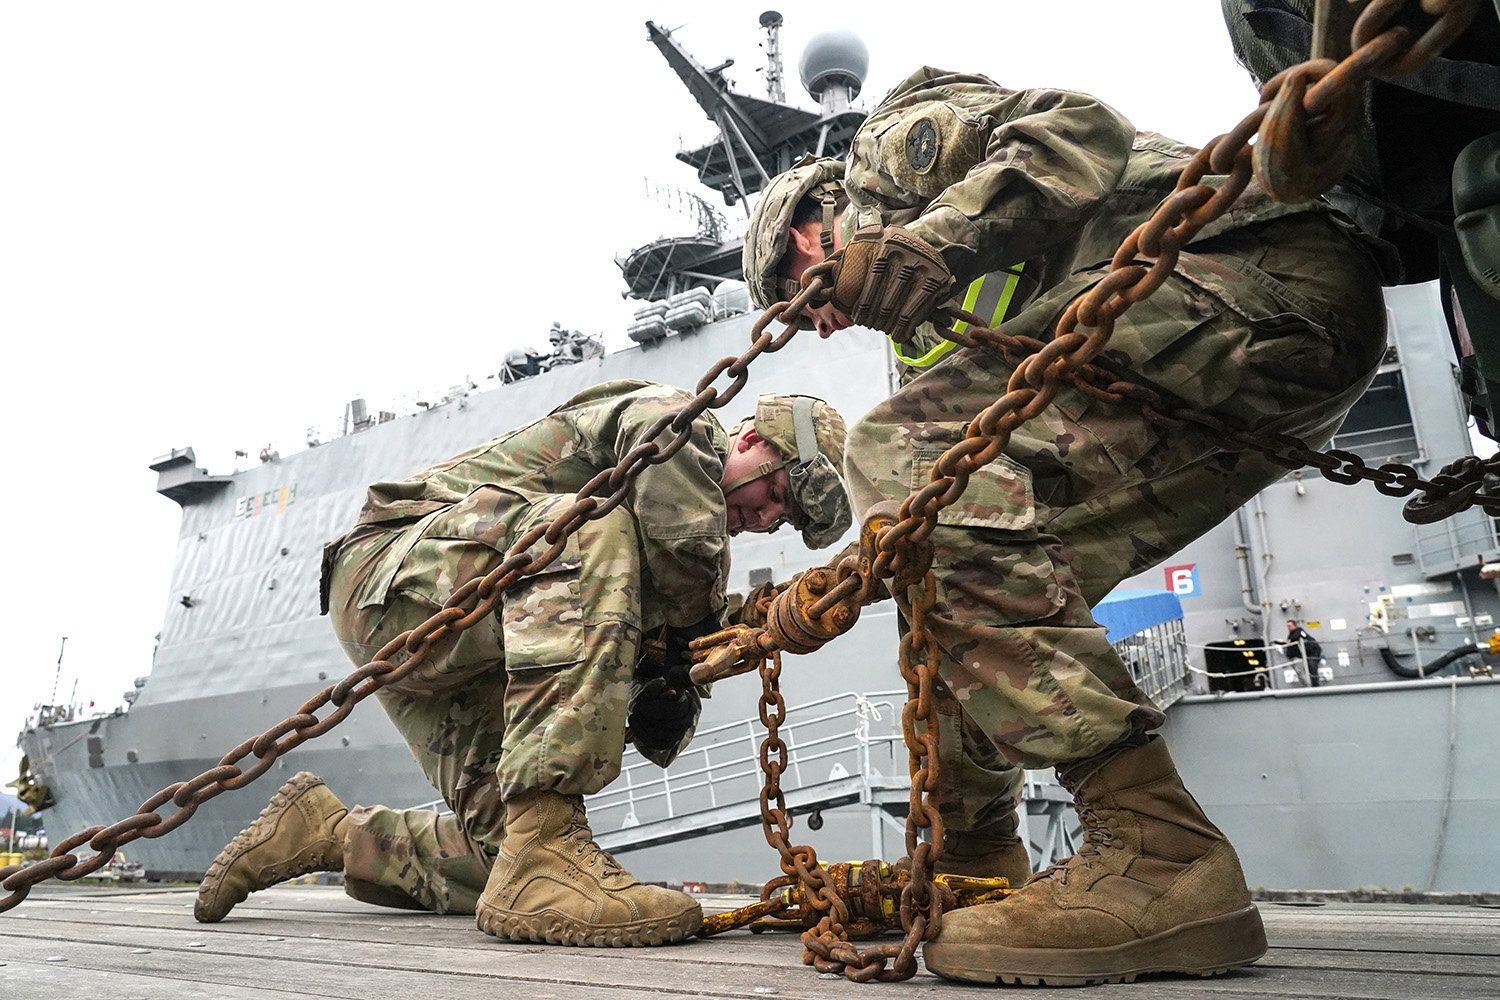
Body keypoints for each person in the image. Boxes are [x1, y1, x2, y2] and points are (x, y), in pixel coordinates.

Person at [743, 67, 1387, 985]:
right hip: (1274, 353)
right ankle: (976, 852)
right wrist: (844, 578)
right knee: (941, 566)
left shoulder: (885, 160)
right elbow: (939, 513)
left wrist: (926, 241)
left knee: (905, 460)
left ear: (815, 224)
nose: (812, 322)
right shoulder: (928, 333)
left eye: (795, 288)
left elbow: (1083, 126)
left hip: (1245, 267)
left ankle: (1159, 849)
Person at [194, 380, 852, 949]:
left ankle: (330, 832)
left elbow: (669, 641)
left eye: (781, 519)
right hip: (392, 578)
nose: (764, 517)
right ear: (749, 440)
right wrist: (699, 632)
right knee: (587, 528)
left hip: (466, 646)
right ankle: (547, 849)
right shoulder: (677, 423)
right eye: (774, 491)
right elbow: (675, 541)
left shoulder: (690, 555)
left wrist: (704, 660)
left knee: (500, 857)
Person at [1281, 619, 1324, 688]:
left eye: (1290, 626)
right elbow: (1289, 643)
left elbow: (1298, 636)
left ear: (1294, 626)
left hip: (1314, 652)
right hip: (1306, 654)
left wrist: (1291, 640)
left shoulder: (1299, 631)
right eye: (1287, 626)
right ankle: (1309, 685)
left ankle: (1315, 686)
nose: (1288, 628)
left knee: (1312, 666)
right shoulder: (1291, 634)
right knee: (1305, 669)